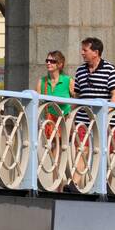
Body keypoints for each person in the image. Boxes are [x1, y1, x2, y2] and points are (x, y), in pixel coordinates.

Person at [69, 37, 115, 192]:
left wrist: (105, 113)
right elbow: (77, 97)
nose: (82, 53)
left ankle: (106, 186)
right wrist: (69, 115)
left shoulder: (110, 69)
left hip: (104, 121)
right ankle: (74, 183)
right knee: (83, 150)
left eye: (85, 50)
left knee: (106, 154)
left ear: (96, 52)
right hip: (83, 120)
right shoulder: (80, 70)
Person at [39, 50, 72, 184]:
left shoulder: (68, 80)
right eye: (47, 61)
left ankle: (58, 180)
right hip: (49, 119)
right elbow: (38, 99)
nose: (48, 63)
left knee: (58, 148)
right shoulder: (42, 81)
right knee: (53, 149)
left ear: (60, 64)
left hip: (63, 118)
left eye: (52, 61)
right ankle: (56, 179)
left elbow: (75, 98)